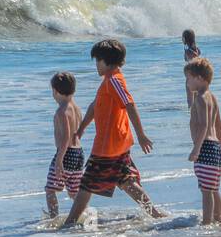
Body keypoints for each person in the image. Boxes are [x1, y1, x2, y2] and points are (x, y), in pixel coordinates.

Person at [61, 39, 162, 227]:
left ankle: (69, 223)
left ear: (106, 61)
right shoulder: (107, 81)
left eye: (97, 61)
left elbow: (129, 104)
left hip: (108, 146)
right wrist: (82, 128)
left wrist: (141, 134)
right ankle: (154, 214)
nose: (96, 66)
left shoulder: (114, 80)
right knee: (126, 181)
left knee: (87, 184)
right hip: (117, 144)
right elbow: (94, 106)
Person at [185, 56, 221, 225]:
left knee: (206, 190)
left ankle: (207, 223)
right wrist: (220, 146)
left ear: (199, 78)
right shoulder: (212, 97)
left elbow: (204, 125)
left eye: (188, 78)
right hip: (215, 147)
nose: (187, 83)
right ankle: (219, 218)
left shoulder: (200, 98)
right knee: (214, 189)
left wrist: (196, 149)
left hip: (205, 147)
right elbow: (219, 126)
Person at [44, 72, 84, 218]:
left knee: (50, 189)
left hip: (65, 153)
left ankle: (53, 217)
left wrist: (59, 159)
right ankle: (81, 214)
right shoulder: (77, 108)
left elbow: (66, 137)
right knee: (74, 191)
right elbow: (78, 132)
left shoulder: (61, 111)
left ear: (55, 91)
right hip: (78, 153)